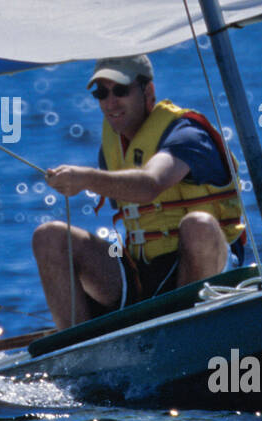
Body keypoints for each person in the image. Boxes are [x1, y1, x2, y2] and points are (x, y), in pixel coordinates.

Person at [34, 55, 247, 329]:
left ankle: (185, 329)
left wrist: (84, 178)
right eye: (101, 93)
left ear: (148, 91)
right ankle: (79, 351)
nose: (110, 103)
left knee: (199, 224)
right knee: (48, 237)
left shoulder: (187, 135)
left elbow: (150, 183)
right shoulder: (111, 150)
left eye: (121, 91)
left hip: (211, 271)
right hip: (143, 273)